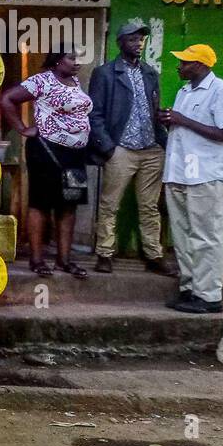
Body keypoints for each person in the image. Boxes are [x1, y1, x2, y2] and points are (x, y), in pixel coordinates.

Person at [158, 44, 223, 314]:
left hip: (205, 174)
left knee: (207, 236)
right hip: (179, 172)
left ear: (201, 65)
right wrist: (170, 121)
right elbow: (186, 130)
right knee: (183, 236)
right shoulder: (185, 91)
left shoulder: (221, 91)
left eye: (185, 62)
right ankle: (190, 289)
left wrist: (182, 120)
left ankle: (209, 296)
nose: (179, 66)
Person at [0, 48, 93, 278]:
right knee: (41, 203)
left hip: (74, 153)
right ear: (58, 60)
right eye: (72, 58)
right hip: (47, 149)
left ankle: (64, 260)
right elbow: (6, 99)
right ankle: (37, 259)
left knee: (69, 204)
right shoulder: (42, 81)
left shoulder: (75, 81)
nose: (77, 62)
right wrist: (22, 128)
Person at [88, 22, 172, 275]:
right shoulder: (105, 73)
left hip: (151, 149)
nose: (138, 43)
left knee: (149, 206)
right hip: (121, 148)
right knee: (110, 204)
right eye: (133, 39)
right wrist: (109, 147)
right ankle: (104, 253)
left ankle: (153, 256)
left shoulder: (149, 73)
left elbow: (153, 108)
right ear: (120, 42)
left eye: (141, 40)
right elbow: (95, 113)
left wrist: (162, 141)